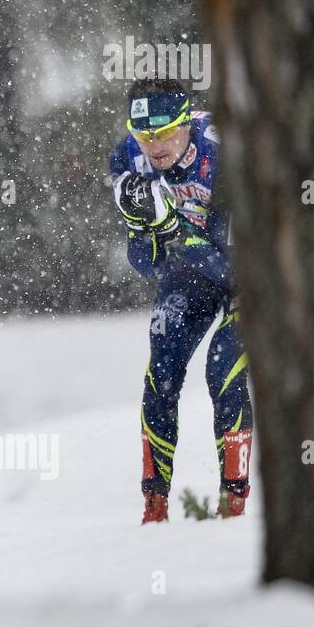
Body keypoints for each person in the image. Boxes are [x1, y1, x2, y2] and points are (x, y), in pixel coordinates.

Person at [109, 79, 252, 524]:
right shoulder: (127, 158)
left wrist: (169, 225)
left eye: (165, 132)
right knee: (162, 367)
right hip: (193, 269)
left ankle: (233, 502)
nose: (154, 147)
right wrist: (140, 221)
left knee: (221, 369)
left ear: (186, 123)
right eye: (143, 135)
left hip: (250, 269)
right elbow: (147, 264)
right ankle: (155, 507)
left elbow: (230, 267)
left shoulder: (223, 155)